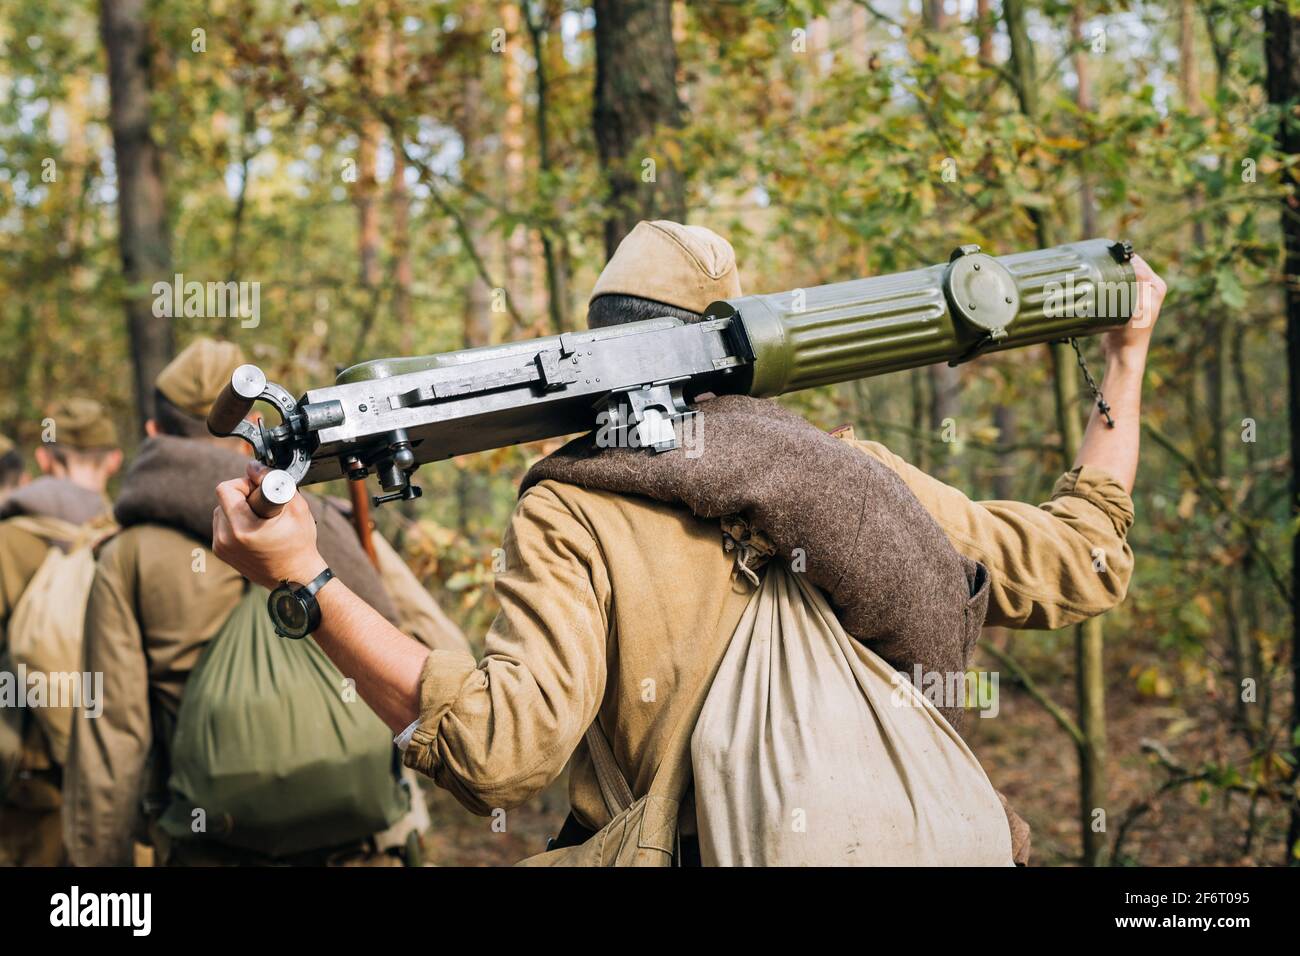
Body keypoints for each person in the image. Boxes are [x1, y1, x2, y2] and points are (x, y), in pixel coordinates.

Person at [212, 221, 1166, 865]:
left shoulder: (576, 506)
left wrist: (305, 576)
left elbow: (502, 754)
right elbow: (1088, 561)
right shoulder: (848, 474)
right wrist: (1125, 363)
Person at [63, 338, 469, 866]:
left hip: (214, 851)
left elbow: (110, 744)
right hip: (366, 849)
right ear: (251, 422)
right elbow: (440, 651)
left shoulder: (130, 556)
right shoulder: (328, 522)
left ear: (154, 430)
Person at [0, 399, 122, 865]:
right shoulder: (130, 538)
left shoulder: (9, 540)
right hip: (112, 781)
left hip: (28, 789)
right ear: (114, 459)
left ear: (45, 460)